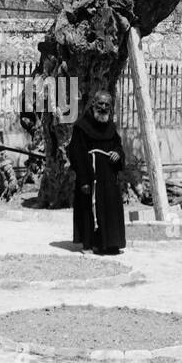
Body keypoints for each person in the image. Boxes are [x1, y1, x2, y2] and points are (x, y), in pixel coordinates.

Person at [67, 90, 126, 255]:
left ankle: (108, 244)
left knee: (109, 211)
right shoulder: (81, 127)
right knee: (89, 210)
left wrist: (118, 153)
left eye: (107, 104)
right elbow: (76, 154)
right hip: (90, 177)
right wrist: (84, 179)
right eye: (101, 104)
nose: (104, 107)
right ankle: (88, 244)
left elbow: (118, 146)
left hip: (108, 178)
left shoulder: (111, 127)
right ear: (93, 104)